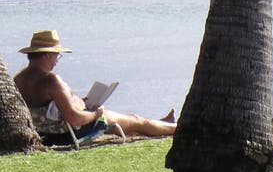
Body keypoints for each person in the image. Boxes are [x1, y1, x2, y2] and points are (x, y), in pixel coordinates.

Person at [14, 29, 177, 138]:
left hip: (48, 131)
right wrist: (95, 114)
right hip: (71, 131)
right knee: (137, 121)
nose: (57, 60)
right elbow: (74, 118)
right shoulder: (50, 80)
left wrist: (80, 102)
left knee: (132, 123)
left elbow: (50, 108)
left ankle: (163, 124)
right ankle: (178, 129)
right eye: (56, 55)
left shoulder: (19, 79)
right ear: (47, 55)